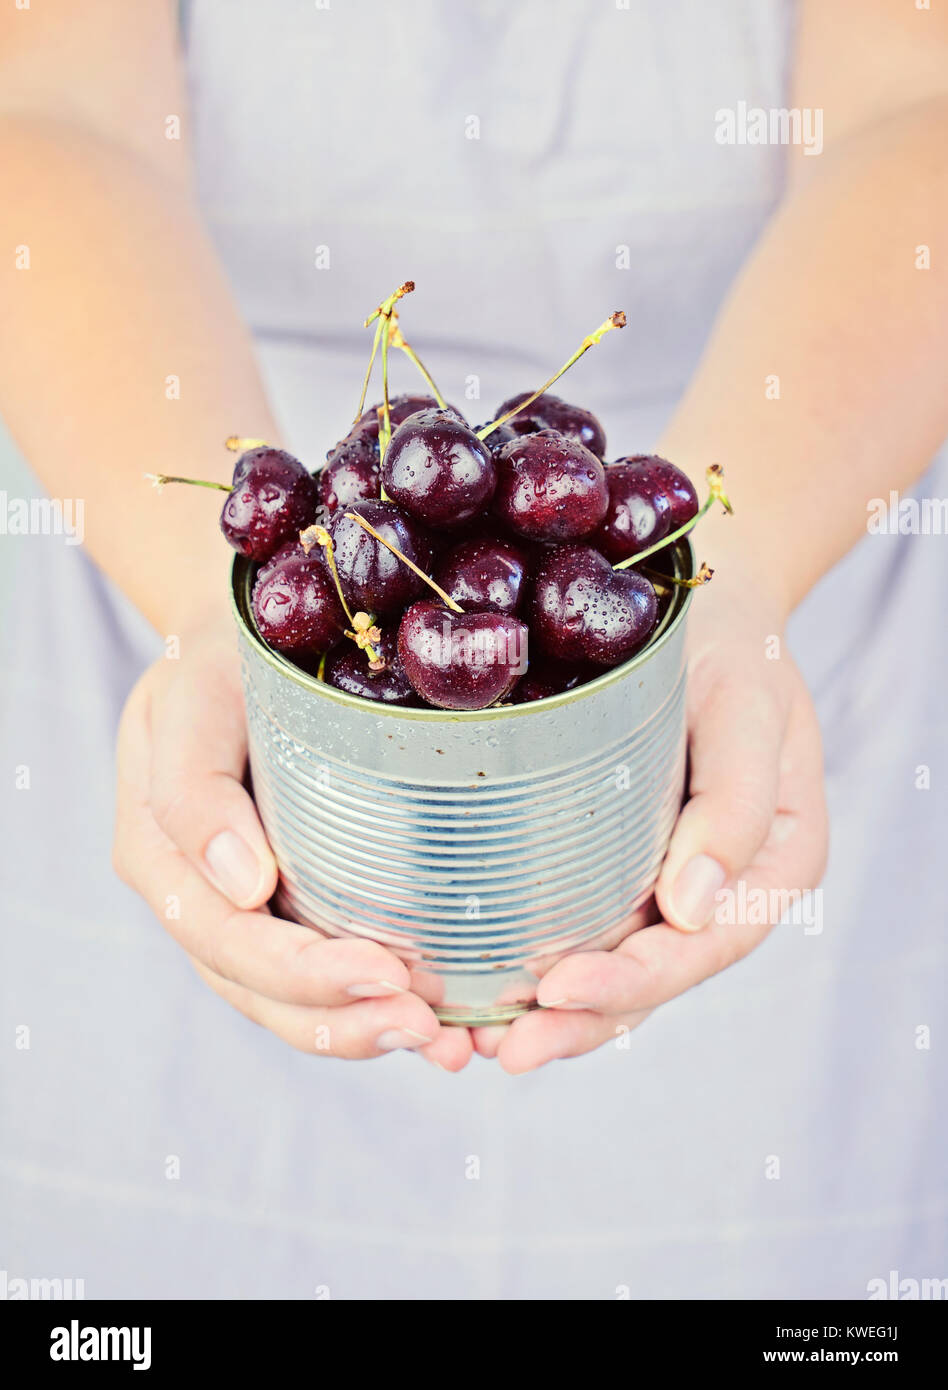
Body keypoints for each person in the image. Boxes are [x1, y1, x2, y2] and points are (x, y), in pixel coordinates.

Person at [1, 0, 945, 1298]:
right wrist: (214, 615)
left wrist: (736, 584)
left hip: (770, 542)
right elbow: (50, 98)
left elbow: (918, 98)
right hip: (193, 567)